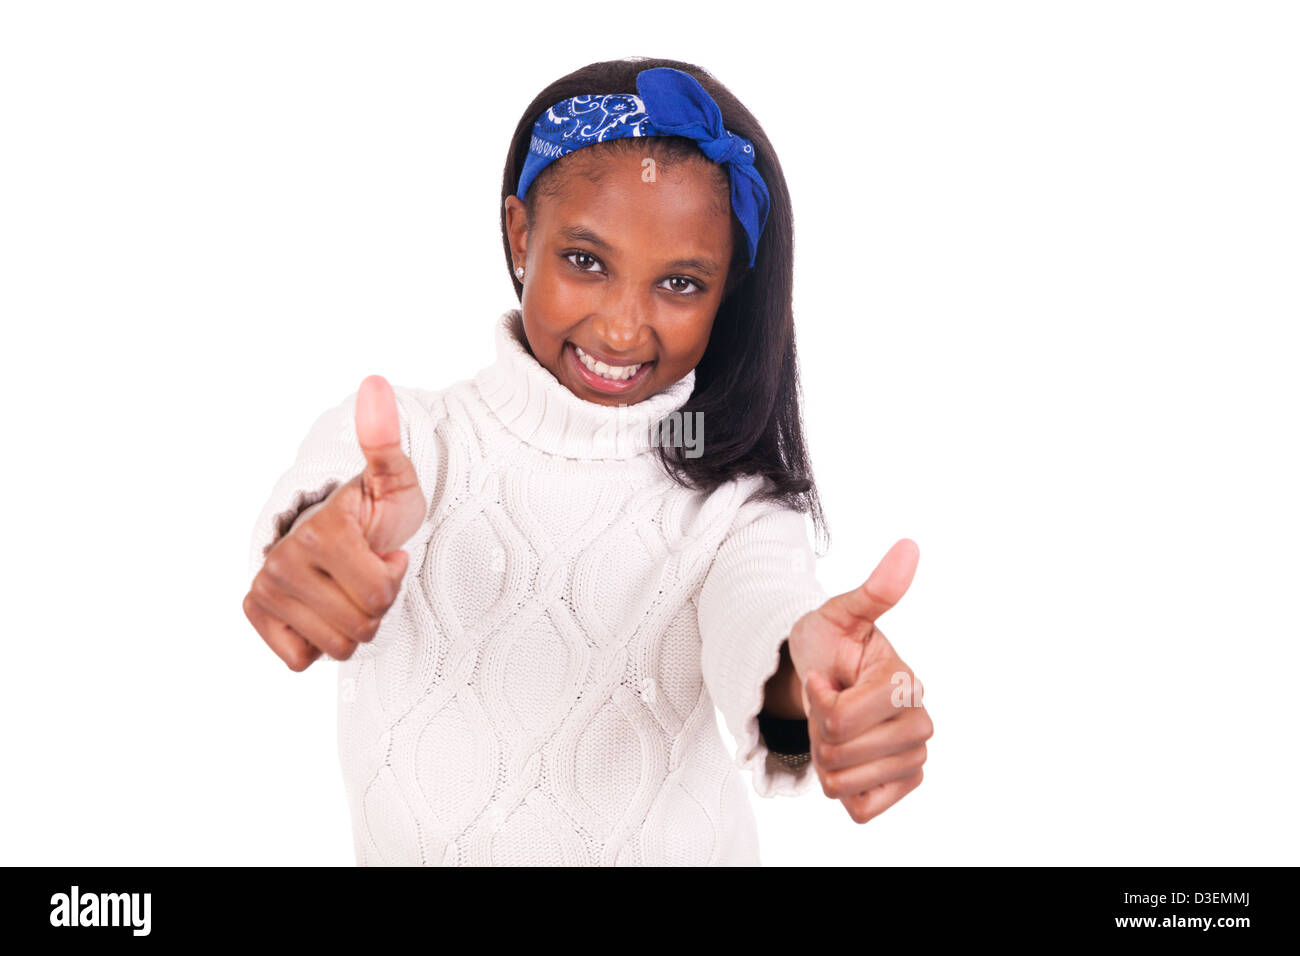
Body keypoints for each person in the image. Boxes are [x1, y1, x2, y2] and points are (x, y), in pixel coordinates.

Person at [244, 57, 933, 866]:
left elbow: (766, 617)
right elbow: (333, 496)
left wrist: (813, 688)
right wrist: (327, 539)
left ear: (725, 299)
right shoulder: (407, 439)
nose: (621, 329)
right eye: (585, 262)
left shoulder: (735, 509)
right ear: (520, 234)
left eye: (680, 282)